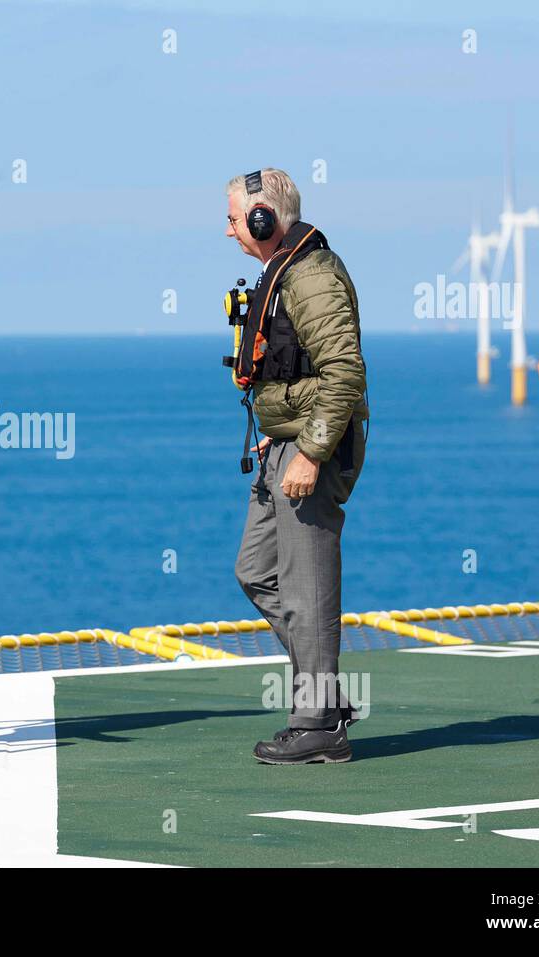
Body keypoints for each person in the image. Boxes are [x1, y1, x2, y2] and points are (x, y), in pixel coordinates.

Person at [226, 168, 369, 764]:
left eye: (235, 218)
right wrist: (281, 436)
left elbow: (343, 374)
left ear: (264, 217)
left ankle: (316, 724)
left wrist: (309, 450)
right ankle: (327, 694)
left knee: (306, 589)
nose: (229, 229)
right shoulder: (283, 271)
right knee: (257, 571)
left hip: (312, 448)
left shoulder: (310, 277)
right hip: (287, 441)